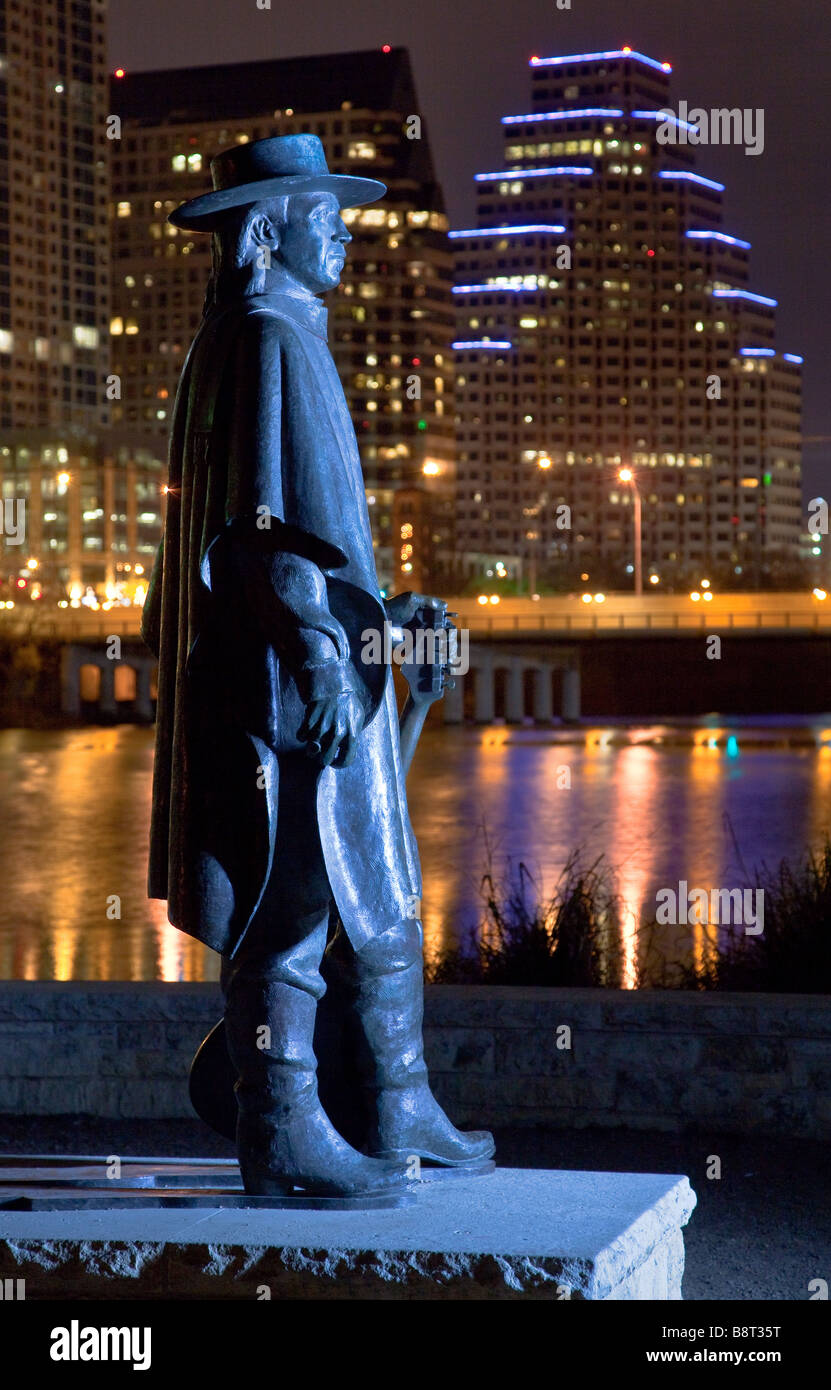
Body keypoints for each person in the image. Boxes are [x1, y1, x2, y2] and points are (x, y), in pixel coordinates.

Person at [141, 135, 494, 1199]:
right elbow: (262, 537)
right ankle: (281, 1125)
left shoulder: (276, 334)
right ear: (268, 228)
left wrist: (381, 625)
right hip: (285, 681)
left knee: (373, 887)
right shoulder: (265, 335)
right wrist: (322, 658)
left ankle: (394, 1101)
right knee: (290, 897)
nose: (341, 228)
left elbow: (296, 535)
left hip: (307, 661)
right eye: (320, 211)